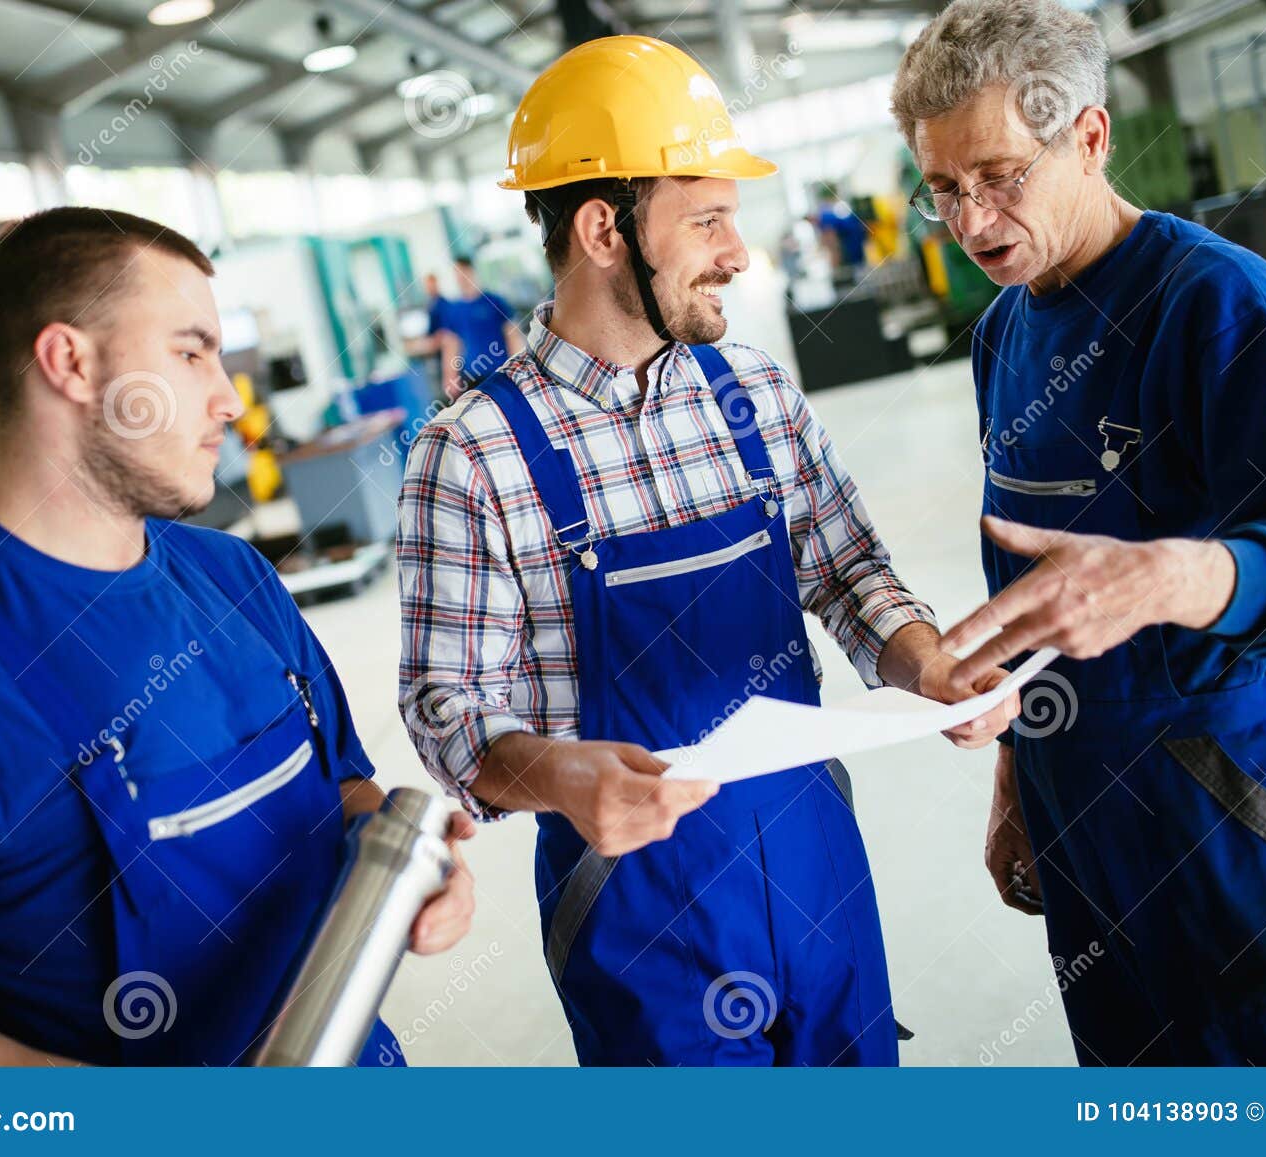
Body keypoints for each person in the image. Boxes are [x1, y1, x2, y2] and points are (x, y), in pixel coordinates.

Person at [396, 35, 1016, 1067]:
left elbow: (846, 567)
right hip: (642, 922)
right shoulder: (471, 453)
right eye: (707, 219)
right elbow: (446, 710)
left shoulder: (755, 393)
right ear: (604, 229)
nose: (737, 251)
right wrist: (557, 773)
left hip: (818, 874)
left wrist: (926, 661)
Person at [0, 207, 475, 1066]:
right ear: (70, 362)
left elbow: (340, 787)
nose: (229, 398)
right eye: (190, 353)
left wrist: (408, 870)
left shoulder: (234, 578)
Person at [892, 0, 1266, 1065]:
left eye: (999, 176)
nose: (973, 224)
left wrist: (1178, 575)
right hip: (1088, 834)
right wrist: (1021, 778)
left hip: (1244, 820)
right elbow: (1029, 604)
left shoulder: (1214, 303)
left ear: (1089, 135)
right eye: (943, 190)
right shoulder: (1002, 334)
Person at [430, 257, 524, 399]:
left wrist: (518, 366)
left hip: (501, 372)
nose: (460, 278)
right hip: (472, 377)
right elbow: (451, 344)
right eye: (457, 274)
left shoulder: (494, 301)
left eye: (463, 272)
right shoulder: (454, 310)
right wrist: (450, 376)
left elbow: (512, 335)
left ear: (472, 271)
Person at [811, 184, 868, 274]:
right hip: (853, 237)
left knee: (856, 265)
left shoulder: (825, 214)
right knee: (858, 265)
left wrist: (833, 259)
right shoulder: (830, 210)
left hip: (852, 240)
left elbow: (831, 240)